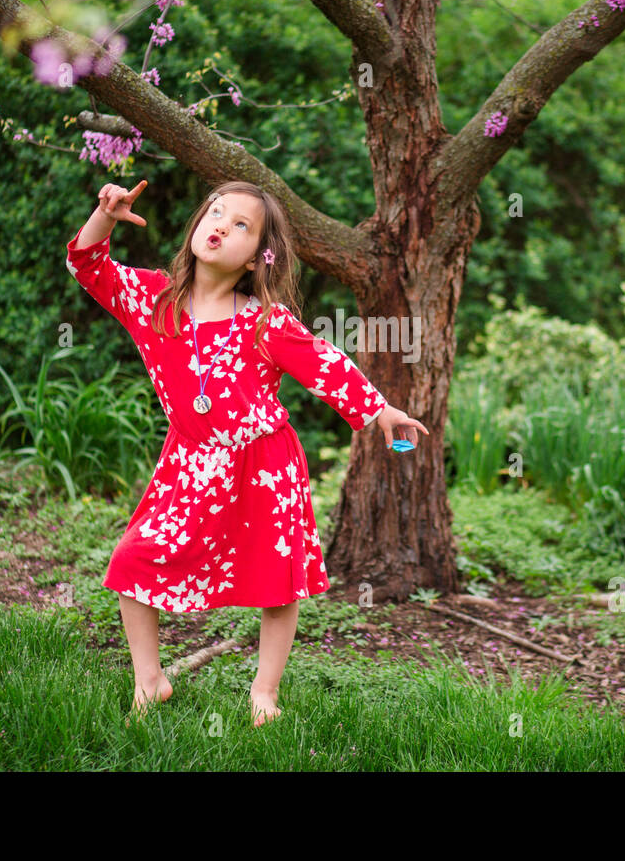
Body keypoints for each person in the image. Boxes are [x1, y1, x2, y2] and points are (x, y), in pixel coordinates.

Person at [66, 179, 429, 728]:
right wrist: (106, 217)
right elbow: (88, 266)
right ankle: (150, 681)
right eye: (215, 212)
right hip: (189, 464)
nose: (220, 225)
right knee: (132, 561)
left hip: (263, 463)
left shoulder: (265, 322)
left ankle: (264, 691)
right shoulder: (154, 301)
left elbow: (326, 364)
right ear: (196, 225)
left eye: (241, 225)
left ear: (260, 255)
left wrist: (382, 413)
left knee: (275, 582)